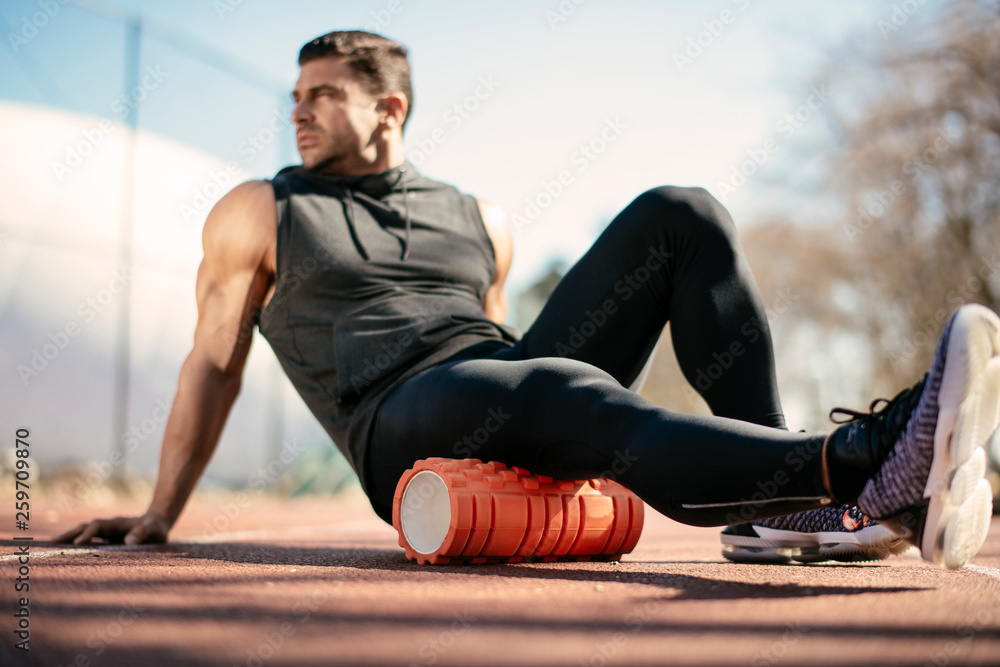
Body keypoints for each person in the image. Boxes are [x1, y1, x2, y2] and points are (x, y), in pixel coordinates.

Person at [54, 30, 1000, 569]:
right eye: (295, 95)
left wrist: (523, 387)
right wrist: (159, 513)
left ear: (389, 110)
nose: (296, 109)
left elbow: (505, 339)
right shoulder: (261, 210)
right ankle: (861, 461)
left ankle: (776, 508)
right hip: (400, 418)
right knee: (555, 389)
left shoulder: (479, 217)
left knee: (683, 213)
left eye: (322, 94)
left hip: (498, 377)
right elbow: (213, 361)